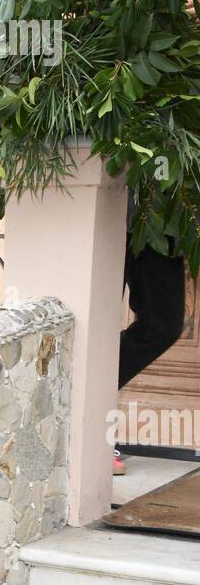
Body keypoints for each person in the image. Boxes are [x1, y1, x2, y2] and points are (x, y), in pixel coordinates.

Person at [114, 198, 186, 474]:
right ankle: (92, 434)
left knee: (162, 326)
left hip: (170, 213)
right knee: (96, 324)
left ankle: (90, 402)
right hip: (114, 197)